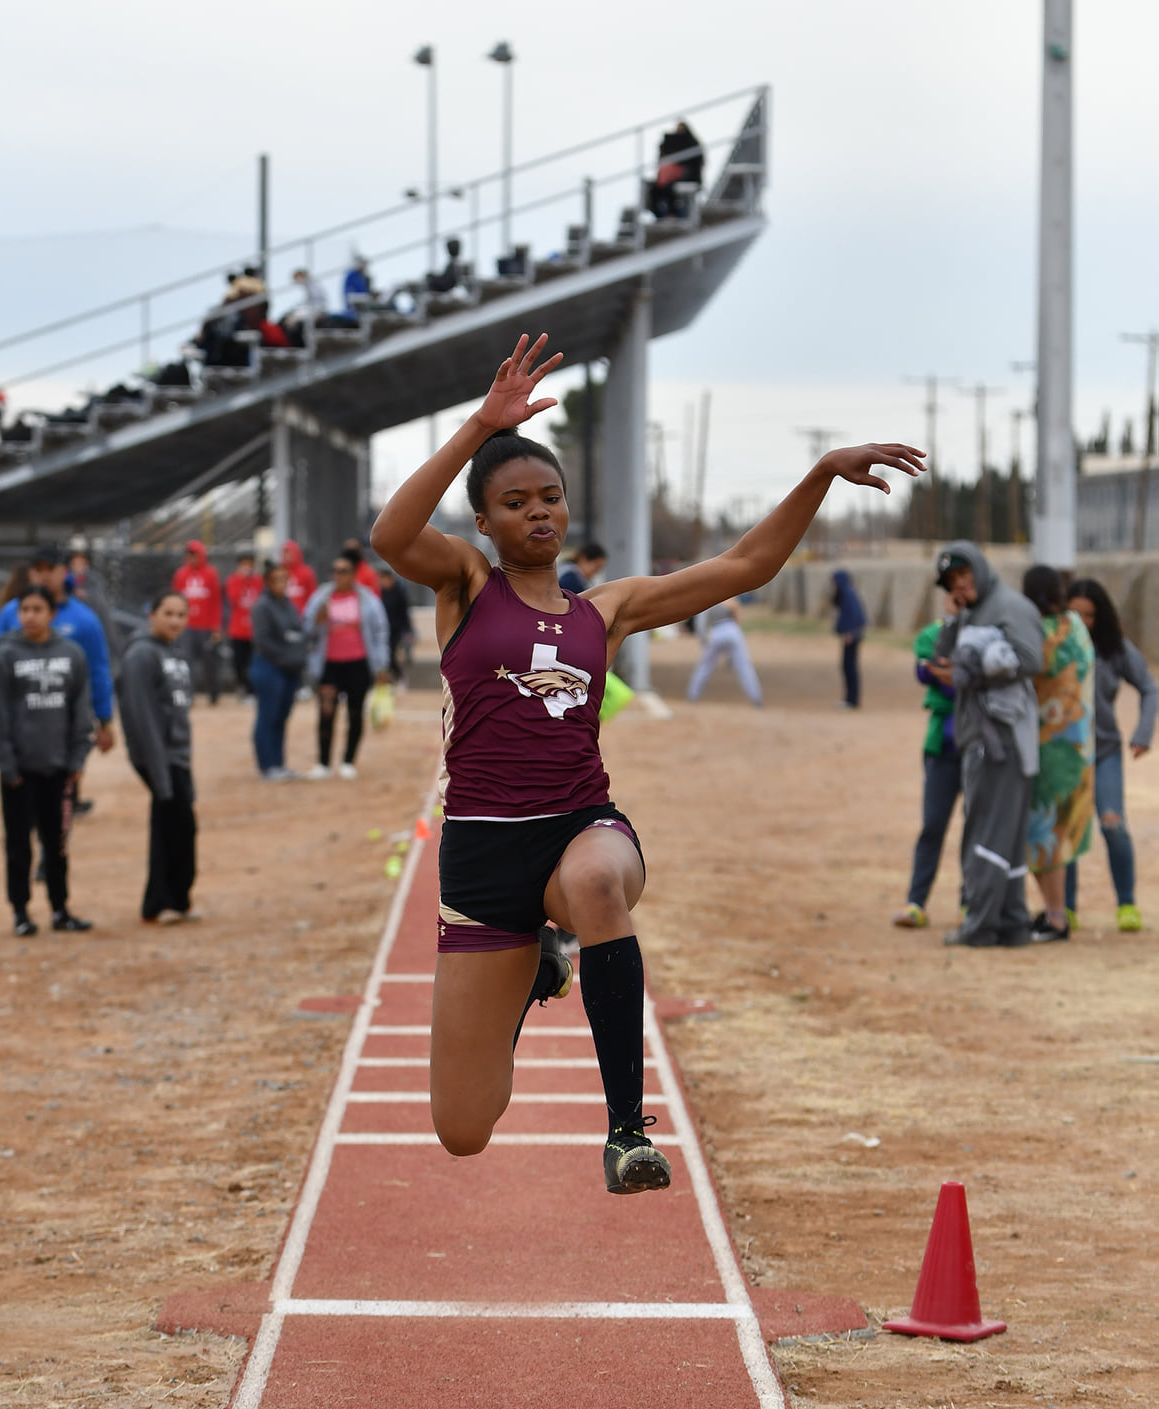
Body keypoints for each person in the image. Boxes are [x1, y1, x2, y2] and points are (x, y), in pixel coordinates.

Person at [369, 331, 922, 1190]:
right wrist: (482, 424)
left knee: (596, 885)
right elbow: (390, 533)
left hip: (579, 826)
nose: (538, 513)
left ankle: (627, 1129)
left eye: (550, 497)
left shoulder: (606, 612)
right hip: (481, 854)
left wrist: (819, 473)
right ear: (484, 519)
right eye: (515, 502)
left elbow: (746, 565)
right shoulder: (465, 584)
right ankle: (535, 967)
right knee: (463, 1129)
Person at [933, 542, 1043, 949]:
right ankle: (1012, 924)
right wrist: (953, 619)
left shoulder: (1010, 607)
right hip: (985, 736)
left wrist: (973, 670)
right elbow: (941, 658)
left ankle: (979, 926)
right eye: (951, 580)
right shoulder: (972, 613)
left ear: (979, 568)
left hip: (1001, 738)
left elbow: (1032, 658)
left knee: (985, 831)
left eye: (964, 574)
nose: (960, 584)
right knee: (1005, 835)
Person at [0, 585, 93, 936]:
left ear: (52, 614)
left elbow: (80, 710)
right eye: (24, 609)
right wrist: (6, 763)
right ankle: (20, 912)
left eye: (37, 609)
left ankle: (60, 910)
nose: (30, 616)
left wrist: (77, 757)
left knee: (56, 845)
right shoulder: (6, 656)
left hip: (58, 767)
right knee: (18, 845)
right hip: (19, 770)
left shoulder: (71, 654)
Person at [1065, 578, 1156, 932]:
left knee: (1113, 824)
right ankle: (1066, 907)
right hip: (1066, 754)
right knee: (1068, 830)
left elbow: (1150, 688)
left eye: (1089, 615)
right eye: (1074, 614)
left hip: (1105, 752)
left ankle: (1127, 904)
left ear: (1099, 618)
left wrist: (1143, 733)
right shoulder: (1055, 648)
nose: (1081, 622)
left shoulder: (1114, 649)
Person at [1022, 565, 1095, 943]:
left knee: (1046, 836)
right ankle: (1054, 912)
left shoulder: (1042, 632)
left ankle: (1055, 918)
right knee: (1056, 837)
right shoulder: (1077, 626)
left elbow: (1031, 664)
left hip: (1050, 751)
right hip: (1081, 747)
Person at [117, 592, 198, 923]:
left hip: (177, 755)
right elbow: (141, 716)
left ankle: (175, 900)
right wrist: (157, 768)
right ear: (151, 614)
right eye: (168, 613)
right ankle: (160, 902)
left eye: (181, 615)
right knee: (172, 825)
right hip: (159, 756)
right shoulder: (141, 655)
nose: (175, 621)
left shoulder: (173, 652)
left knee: (179, 826)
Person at [0, 546, 115, 756]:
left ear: (65, 571)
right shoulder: (10, 614)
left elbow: (98, 669)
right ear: (30, 573)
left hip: (66, 723)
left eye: (50, 568)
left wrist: (104, 718)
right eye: (38, 569)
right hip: (19, 722)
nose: (44, 574)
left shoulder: (84, 618)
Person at [893, 604, 962, 928]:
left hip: (980, 745)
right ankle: (916, 902)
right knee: (933, 825)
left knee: (977, 828)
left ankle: (971, 903)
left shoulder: (987, 632)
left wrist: (950, 674)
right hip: (942, 744)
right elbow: (925, 673)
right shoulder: (932, 634)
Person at [303, 556, 391, 778]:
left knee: (354, 713)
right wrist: (317, 620)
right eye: (335, 570)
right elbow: (306, 630)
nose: (338, 575)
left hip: (358, 663)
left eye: (343, 571)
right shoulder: (322, 596)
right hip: (329, 664)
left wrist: (382, 665)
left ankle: (348, 761)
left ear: (353, 574)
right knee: (326, 713)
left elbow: (380, 632)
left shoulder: (367, 599)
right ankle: (323, 763)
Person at [248, 562, 308, 779]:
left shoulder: (288, 604)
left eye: (285, 579)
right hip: (269, 668)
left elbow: (296, 631)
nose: (283, 583)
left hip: (289, 669)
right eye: (278, 579)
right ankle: (267, 765)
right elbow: (263, 641)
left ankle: (279, 763)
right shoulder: (262, 606)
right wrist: (287, 656)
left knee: (281, 717)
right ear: (268, 582)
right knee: (268, 716)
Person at [171, 540, 223, 704]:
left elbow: (216, 601)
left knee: (210, 662)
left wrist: (216, 626)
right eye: (189, 555)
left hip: (206, 626)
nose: (192, 558)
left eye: (195, 554)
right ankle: (189, 694)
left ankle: (213, 694)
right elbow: (174, 600)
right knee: (186, 661)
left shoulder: (210, 573)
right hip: (187, 626)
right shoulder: (181, 574)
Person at [686, 598, 763, 706]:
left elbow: (701, 624)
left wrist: (704, 642)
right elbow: (737, 614)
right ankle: (756, 698)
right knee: (744, 666)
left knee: (705, 666)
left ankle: (693, 695)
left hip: (715, 632)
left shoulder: (707, 600)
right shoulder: (729, 599)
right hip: (732, 630)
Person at [224, 548, 263, 696]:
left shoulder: (258, 580)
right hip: (238, 628)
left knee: (255, 661)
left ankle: (253, 689)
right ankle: (243, 687)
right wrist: (242, 579)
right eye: (244, 564)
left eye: (249, 564)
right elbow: (233, 600)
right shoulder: (233, 580)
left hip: (255, 629)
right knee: (239, 662)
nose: (247, 567)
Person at [649, 121, 704, 218]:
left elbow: (696, 162)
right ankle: (663, 216)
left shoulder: (691, 144)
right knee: (656, 191)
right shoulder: (671, 145)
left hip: (687, 177)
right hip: (667, 181)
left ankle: (672, 215)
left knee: (669, 189)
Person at [830, 569, 866, 708]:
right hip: (850, 635)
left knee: (849, 667)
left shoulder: (848, 595)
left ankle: (852, 700)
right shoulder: (848, 594)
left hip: (851, 637)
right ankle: (850, 699)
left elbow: (856, 616)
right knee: (847, 666)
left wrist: (850, 633)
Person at [377, 567, 415, 684]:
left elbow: (404, 613)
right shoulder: (380, 593)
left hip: (397, 630)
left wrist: (408, 630)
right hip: (383, 629)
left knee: (393, 654)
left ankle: (399, 676)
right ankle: (390, 678)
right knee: (385, 656)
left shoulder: (399, 592)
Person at [280, 540, 317, 612]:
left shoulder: (307, 572)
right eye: (285, 552)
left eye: (290, 552)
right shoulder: (279, 572)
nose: (287, 556)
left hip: (302, 616)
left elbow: (313, 597)